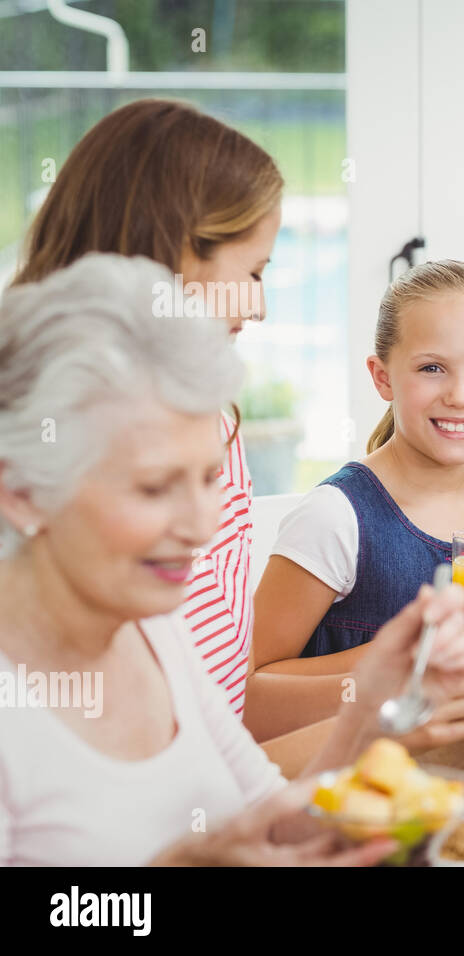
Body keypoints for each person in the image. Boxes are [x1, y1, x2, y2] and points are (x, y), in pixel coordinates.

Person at [0, 255, 464, 865]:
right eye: (153, 488)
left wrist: (372, 713)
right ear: (19, 492)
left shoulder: (156, 633)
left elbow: (265, 816)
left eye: (209, 477)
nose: (203, 524)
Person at [11, 98, 284, 714]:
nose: (258, 306)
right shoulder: (47, 452)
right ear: (178, 259)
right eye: (254, 272)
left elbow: (222, 718)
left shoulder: (213, 420)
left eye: (206, 480)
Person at [248, 260, 464, 741]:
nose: (460, 395)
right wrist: (397, 667)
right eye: (432, 368)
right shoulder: (336, 518)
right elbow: (243, 699)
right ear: (382, 377)